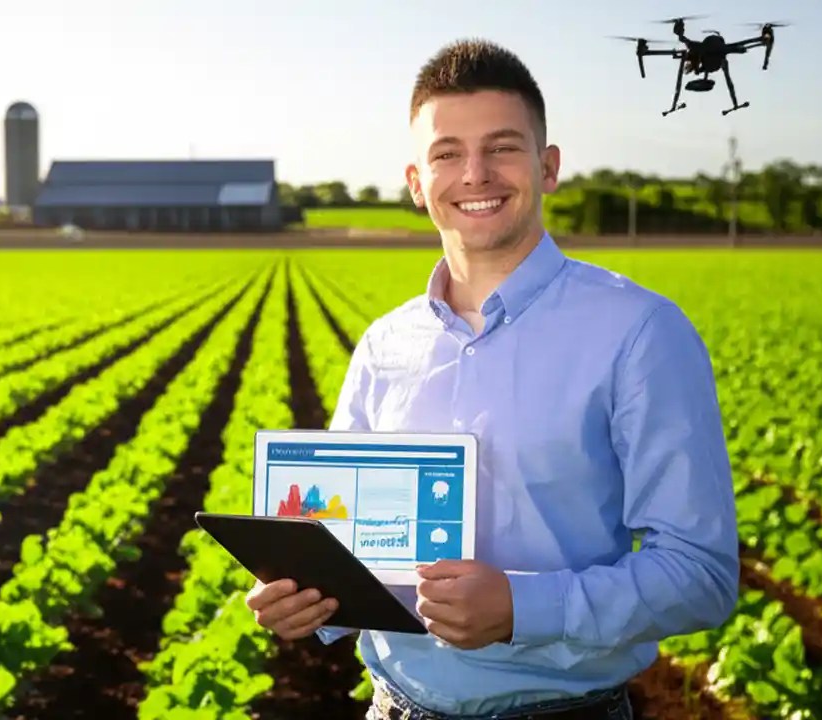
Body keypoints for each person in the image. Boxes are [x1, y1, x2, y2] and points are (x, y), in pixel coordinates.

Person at [244, 38, 739, 720]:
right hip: (393, 707)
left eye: (502, 147)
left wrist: (519, 608)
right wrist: (312, 597)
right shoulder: (385, 345)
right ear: (417, 182)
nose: (475, 173)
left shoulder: (639, 331)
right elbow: (351, 542)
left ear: (548, 166)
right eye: (447, 153)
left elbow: (701, 575)